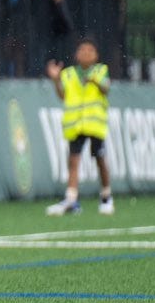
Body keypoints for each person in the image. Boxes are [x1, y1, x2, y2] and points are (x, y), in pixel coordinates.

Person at [46, 39, 112, 216]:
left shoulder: (100, 70)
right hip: (75, 124)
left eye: (90, 50)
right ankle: (71, 200)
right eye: (82, 50)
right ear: (76, 54)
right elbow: (63, 95)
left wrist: (94, 81)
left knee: (100, 160)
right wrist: (55, 80)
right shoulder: (68, 73)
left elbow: (106, 88)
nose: (85, 53)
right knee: (73, 161)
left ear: (96, 56)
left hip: (94, 124)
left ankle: (106, 196)